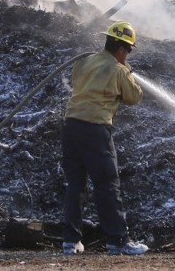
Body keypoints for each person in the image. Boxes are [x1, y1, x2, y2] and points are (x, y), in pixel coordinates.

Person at [61, 20, 148, 255]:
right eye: (128, 51)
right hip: (95, 129)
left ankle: (70, 242)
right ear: (121, 49)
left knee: (75, 184)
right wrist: (127, 71)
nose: (127, 55)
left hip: (71, 126)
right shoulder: (119, 70)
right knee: (107, 184)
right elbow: (133, 97)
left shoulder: (85, 61)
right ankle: (118, 241)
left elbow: (76, 80)